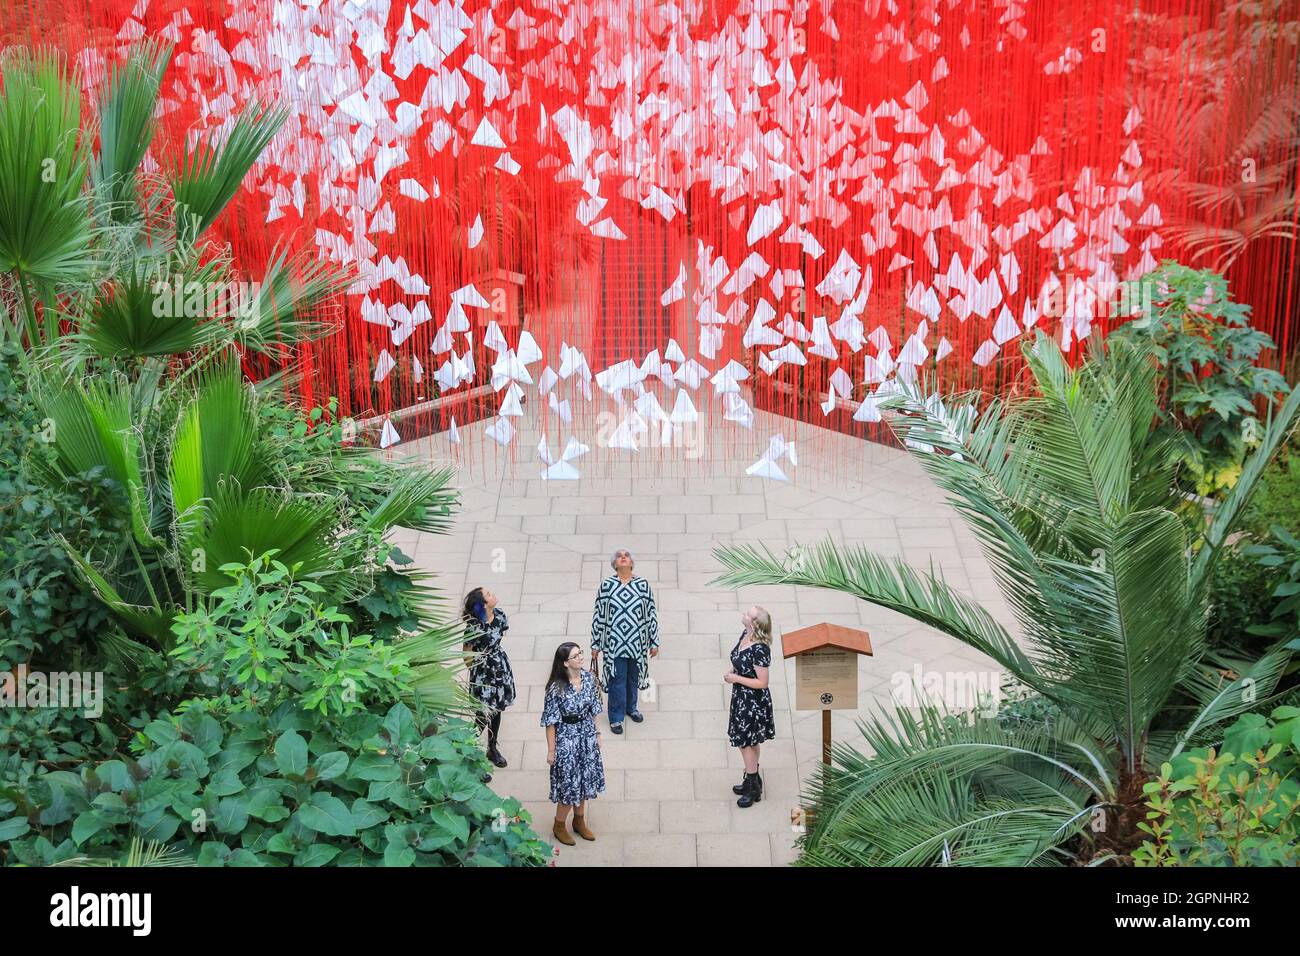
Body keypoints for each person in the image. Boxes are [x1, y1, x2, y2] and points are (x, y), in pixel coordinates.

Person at [541, 642, 605, 846]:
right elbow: (550, 721)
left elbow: (594, 708)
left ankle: (579, 821)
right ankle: (559, 824)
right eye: (576, 655)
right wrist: (551, 750)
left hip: (586, 735)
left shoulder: (589, 678)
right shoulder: (555, 688)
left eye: (581, 653)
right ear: (566, 663)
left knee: (585, 780)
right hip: (567, 739)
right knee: (569, 785)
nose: (581, 657)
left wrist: (597, 732)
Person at [590, 547, 660, 734]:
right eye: (619, 556)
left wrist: (654, 641)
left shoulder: (643, 585)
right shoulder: (607, 586)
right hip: (615, 643)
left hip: (637, 641)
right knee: (617, 678)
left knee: (633, 677)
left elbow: (651, 613)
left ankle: (631, 708)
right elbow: (599, 615)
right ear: (615, 564)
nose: (623, 558)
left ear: (631, 562)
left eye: (626, 555)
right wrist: (595, 644)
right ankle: (615, 717)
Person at [462, 587, 515, 779]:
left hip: (499, 668)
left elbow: (500, 637)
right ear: (483, 604)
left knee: (497, 710)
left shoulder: (500, 615)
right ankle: (471, 755)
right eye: (489, 595)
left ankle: (492, 748)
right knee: (481, 716)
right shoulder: (474, 627)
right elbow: (466, 653)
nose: (493, 595)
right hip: (483, 674)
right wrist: (478, 671)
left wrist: (496, 662)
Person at [725, 605, 775, 808]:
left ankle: (753, 784)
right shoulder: (745, 635)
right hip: (741, 697)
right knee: (749, 741)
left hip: (752, 702)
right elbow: (739, 659)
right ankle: (752, 779)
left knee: (745, 742)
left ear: (754, 624)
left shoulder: (760, 648)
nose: (744, 614)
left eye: (748, 614)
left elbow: (762, 682)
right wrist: (734, 669)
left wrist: (735, 677)